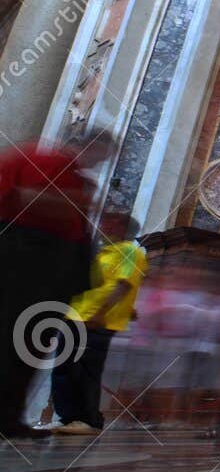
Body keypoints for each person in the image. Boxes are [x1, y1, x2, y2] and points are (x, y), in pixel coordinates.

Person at [0, 133, 106, 441]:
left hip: (52, 268)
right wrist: (74, 200)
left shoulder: (75, 175)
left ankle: (8, 417)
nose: (98, 162)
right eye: (99, 154)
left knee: (30, 346)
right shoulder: (40, 158)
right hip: (26, 259)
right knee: (12, 340)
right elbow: (22, 197)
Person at [49, 211, 147, 435]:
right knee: (64, 368)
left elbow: (124, 284)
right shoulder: (103, 253)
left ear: (121, 227)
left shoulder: (130, 251)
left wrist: (102, 312)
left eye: (108, 222)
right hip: (75, 315)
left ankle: (88, 419)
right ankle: (68, 417)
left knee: (85, 369)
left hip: (96, 320)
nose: (102, 225)